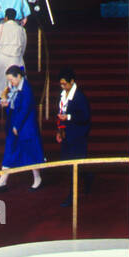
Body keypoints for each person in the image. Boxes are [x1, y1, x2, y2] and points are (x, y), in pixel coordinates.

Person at [0, 66, 44, 191]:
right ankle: (2, 181)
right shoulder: (14, 88)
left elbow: (25, 109)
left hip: (25, 126)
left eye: (11, 79)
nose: (10, 82)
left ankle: (37, 179)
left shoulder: (26, 89)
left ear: (19, 76)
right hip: (14, 124)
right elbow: (13, 106)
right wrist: (6, 104)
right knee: (9, 150)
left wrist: (17, 126)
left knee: (31, 152)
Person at [56, 67, 92, 203]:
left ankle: (72, 196)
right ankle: (88, 176)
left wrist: (69, 117)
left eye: (65, 83)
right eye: (61, 84)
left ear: (72, 81)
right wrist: (59, 130)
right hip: (67, 135)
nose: (63, 86)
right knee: (71, 164)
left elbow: (85, 116)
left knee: (74, 167)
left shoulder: (79, 97)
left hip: (77, 136)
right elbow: (61, 113)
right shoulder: (63, 95)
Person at [0, 8, 27, 99]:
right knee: (16, 83)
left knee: (0, 82)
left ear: (5, 17)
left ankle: (1, 100)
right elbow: (23, 47)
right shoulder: (21, 29)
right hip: (16, 58)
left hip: (1, 57)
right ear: (15, 18)